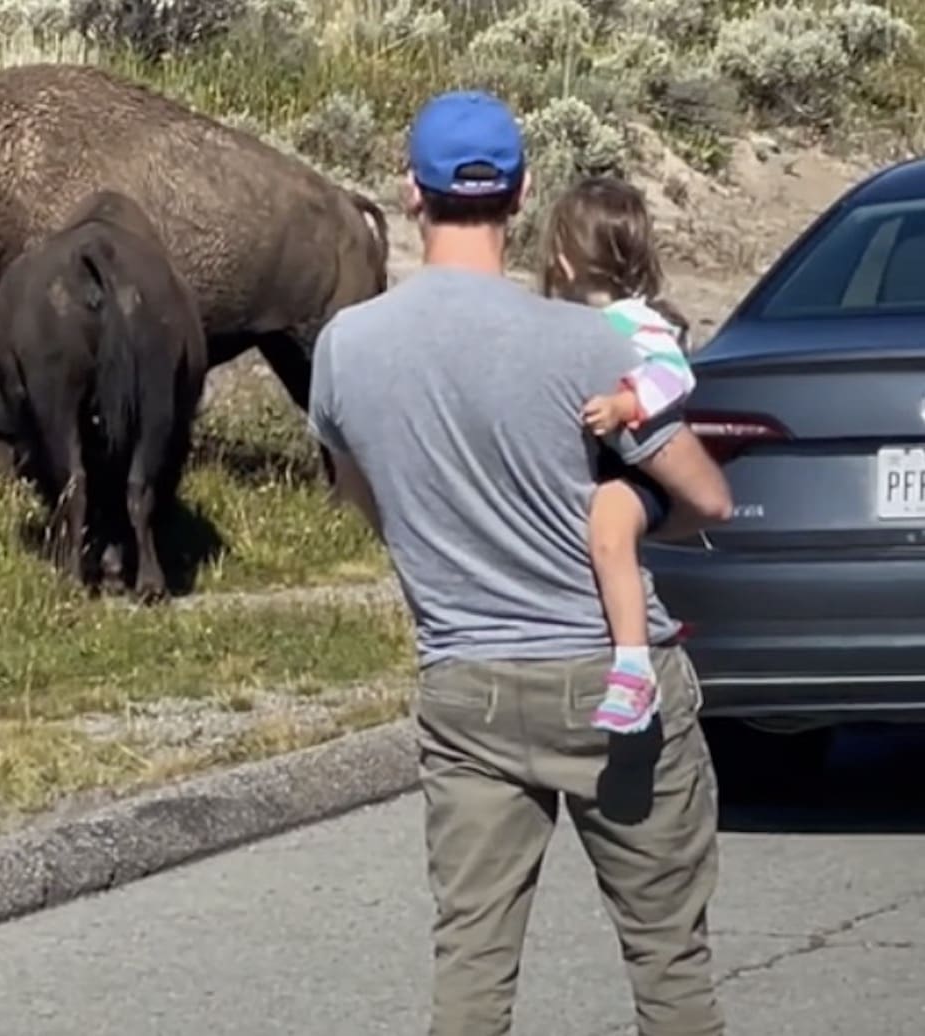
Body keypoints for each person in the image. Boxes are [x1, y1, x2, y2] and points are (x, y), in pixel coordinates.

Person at [306, 89, 733, 1036]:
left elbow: (359, 494)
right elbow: (707, 498)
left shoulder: (346, 348)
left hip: (467, 681)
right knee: (669, 965)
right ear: (523, 193)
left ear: (412, 195)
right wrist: (623, 508)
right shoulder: (594, 343)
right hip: (612, 676)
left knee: (472, 968)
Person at [539, 175, 699, 735]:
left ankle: (633, 670)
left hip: (633, 472)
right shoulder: (569, 322)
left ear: (564, 257)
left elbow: (676, 377)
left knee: (609, 537)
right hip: (598, 465)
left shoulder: (638, 320)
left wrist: (624, 403)